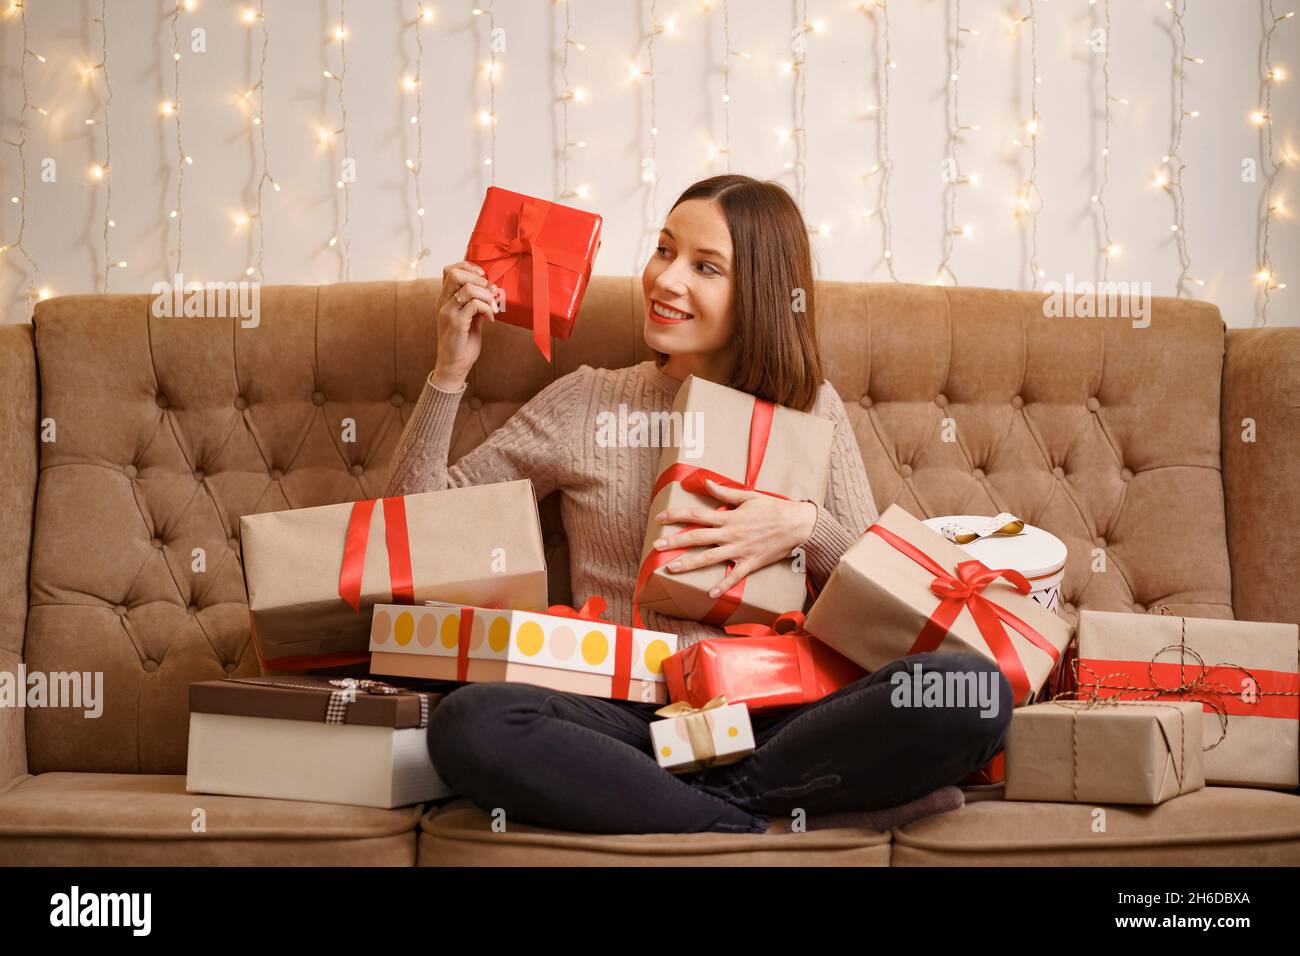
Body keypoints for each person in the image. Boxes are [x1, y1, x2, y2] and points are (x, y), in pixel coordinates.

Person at [385, 174, 1012, 835]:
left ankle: (705, 800)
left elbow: (886, 601)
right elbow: (416, 532)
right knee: (472, 724)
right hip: (629, 718)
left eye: (704, 266)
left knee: (971, 689)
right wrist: (449, 372)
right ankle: (757, 819)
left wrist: (805, 527)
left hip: (776, 713)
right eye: (663, 250)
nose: (666, 279)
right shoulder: (587, 403)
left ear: (760, 295)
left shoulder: (809, 406)